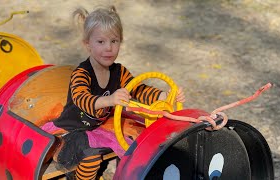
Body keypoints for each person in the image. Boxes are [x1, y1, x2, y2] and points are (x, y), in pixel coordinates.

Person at [51, 5, 185, 180]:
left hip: (99, 126)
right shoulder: (82, 73)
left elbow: (139, 90)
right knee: (90, 156)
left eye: (114, 41)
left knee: (133, 143)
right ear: (87, 45)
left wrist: (166, 97)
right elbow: (81, 99)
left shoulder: (119, 71)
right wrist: (110, 100)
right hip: (72, 130)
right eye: (101, 42)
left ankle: (124, 176)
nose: (108, 48)